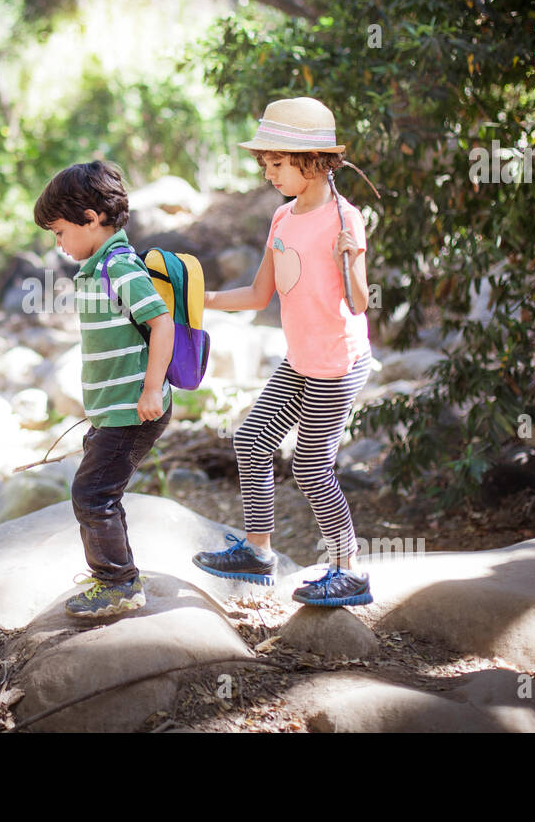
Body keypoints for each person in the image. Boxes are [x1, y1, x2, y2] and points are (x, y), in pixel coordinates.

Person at [192, 98, 375, 606]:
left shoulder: (345, 218)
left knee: (312, 467)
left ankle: (350, 570)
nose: (269, 174)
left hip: (337, 364)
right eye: (266, 165)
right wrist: (196, 302)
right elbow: (257, 295)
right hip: (300, 358)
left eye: (277, 164)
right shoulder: (282, 218)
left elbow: (358, 302)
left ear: (312, 161)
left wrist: (351, 258)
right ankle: (257, 551)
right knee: (251, 440)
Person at [33, 160, 175, 619]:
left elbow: (160, 322)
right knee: (100, 491)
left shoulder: (119, 266)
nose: (58, 243)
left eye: (59, 232)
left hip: (135, 409)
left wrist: (152, 389)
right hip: (113, 412)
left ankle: (118, 582)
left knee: (91, 494)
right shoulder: (98, 268)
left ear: (91, 219)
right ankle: (120, 572)